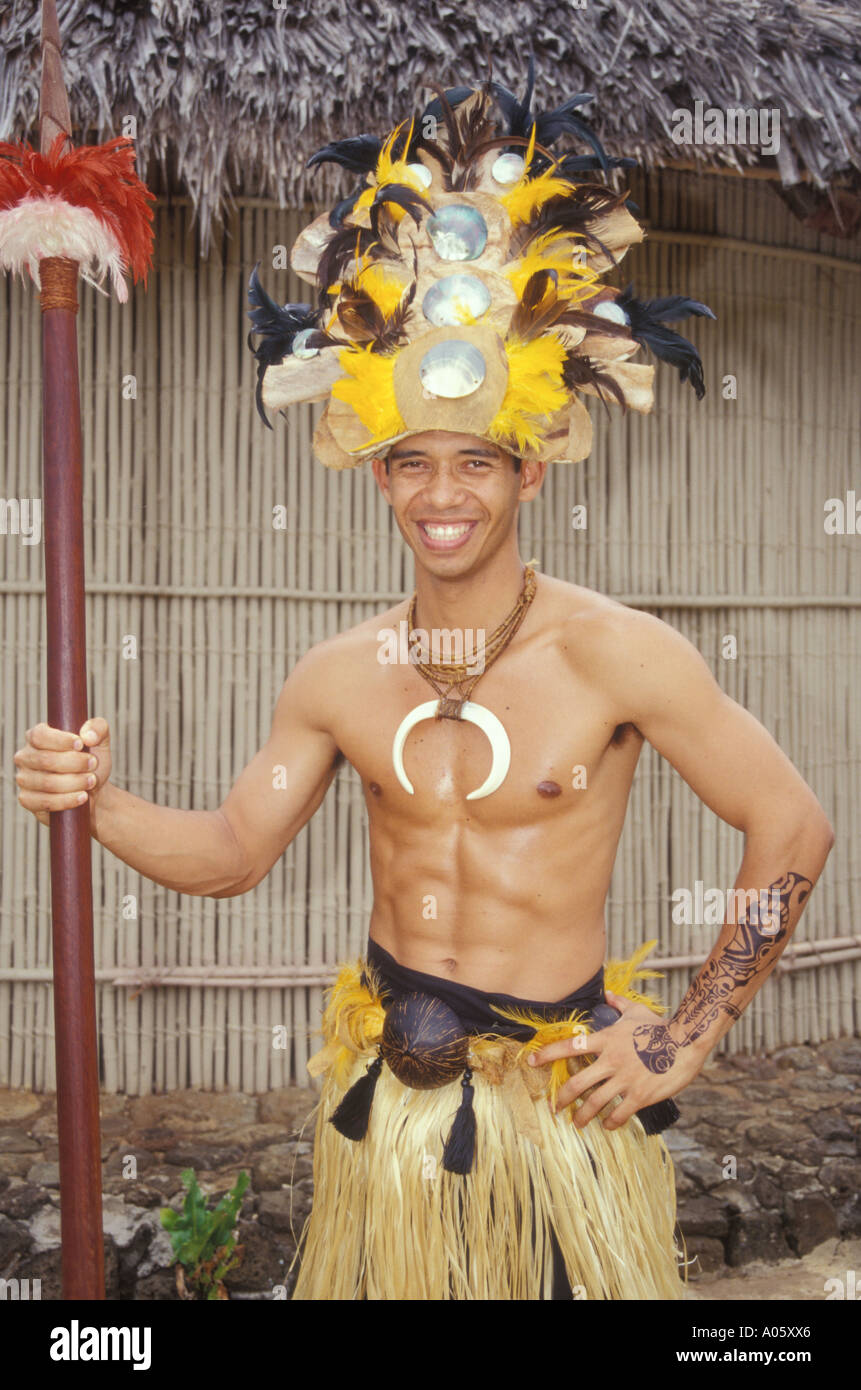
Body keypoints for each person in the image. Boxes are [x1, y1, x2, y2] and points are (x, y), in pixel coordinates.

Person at [14, 71, 834, 1300]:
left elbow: (794, 828)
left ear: (530, 475)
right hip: (389, 1112)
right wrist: (92, 800)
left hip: (559, 1123)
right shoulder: (341, 676)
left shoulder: (618, 654)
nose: (441, 497)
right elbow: (237, 847)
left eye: (474, 465)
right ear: (378, 475)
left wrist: (687, 1031)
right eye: (412, 465)